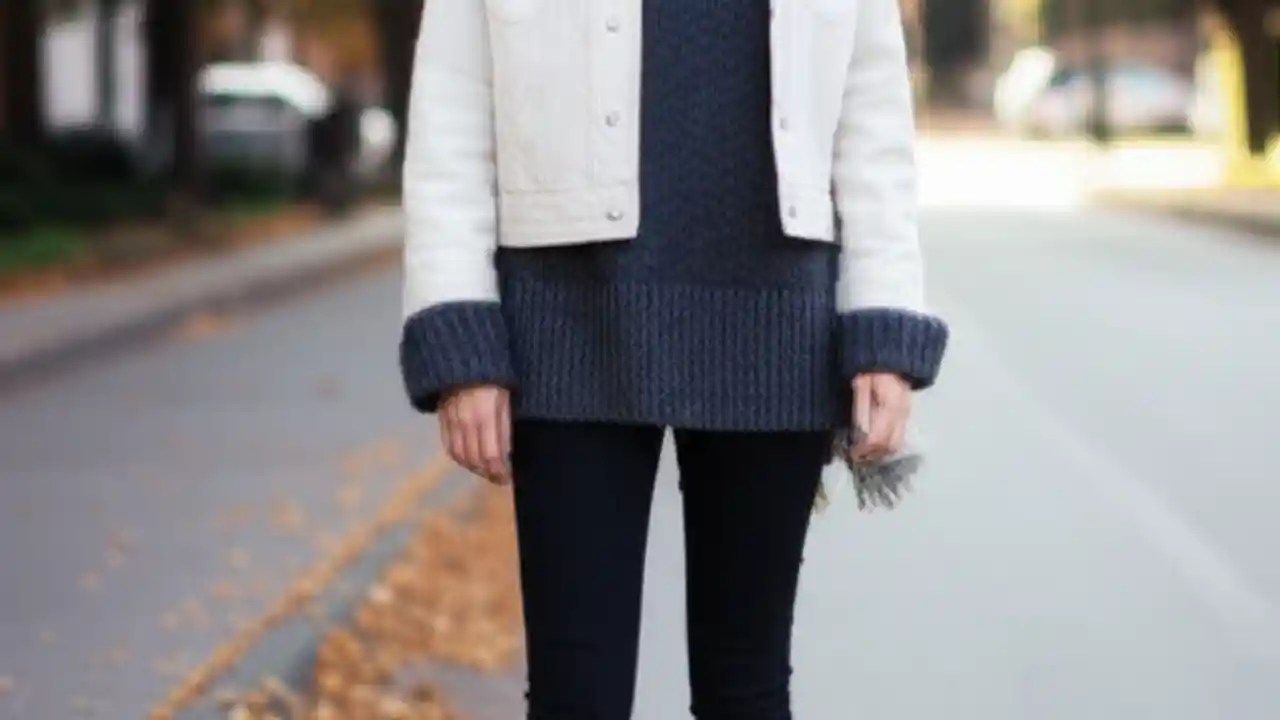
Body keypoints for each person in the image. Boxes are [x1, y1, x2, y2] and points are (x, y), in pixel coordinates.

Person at [397, 0, 948, 717]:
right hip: (568, 323)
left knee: (746, 693)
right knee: (577, 700)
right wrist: (460, 334)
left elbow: (872, 113)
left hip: (772, 327)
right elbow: (453, 108)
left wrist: (882, 319)